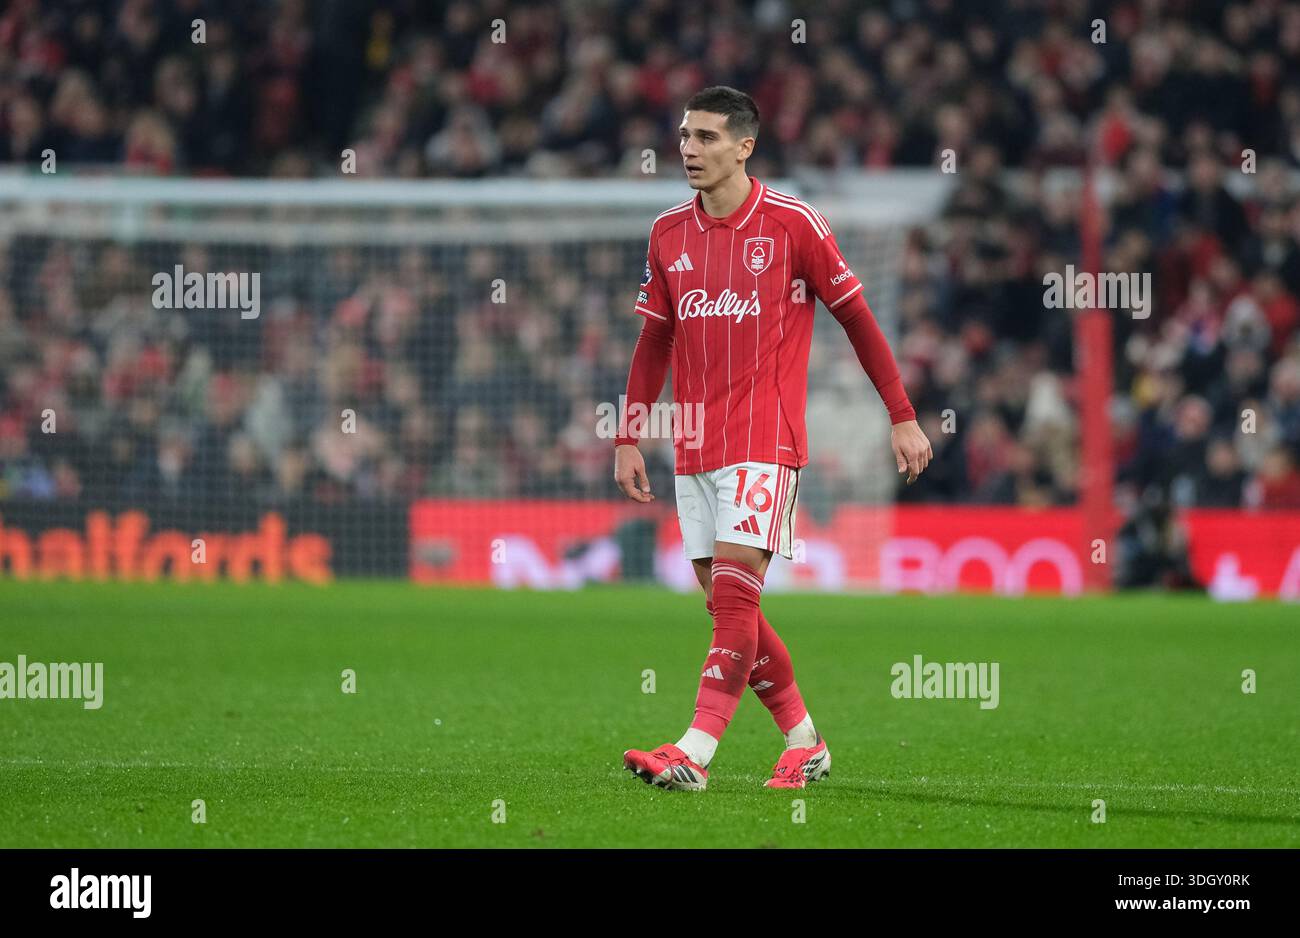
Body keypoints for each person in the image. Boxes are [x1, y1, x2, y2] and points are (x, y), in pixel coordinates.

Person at [613, 86, 931, 791]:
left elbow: (857, 317)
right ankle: (804, 741)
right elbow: (654, 337)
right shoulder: (668, 233)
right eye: (686, 135)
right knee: (732, 605)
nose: (689, 149)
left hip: (764, 441)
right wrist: (629, 434)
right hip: (692, 447)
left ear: (744, 146)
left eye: (706, 138)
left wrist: (901, 414)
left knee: (732, 601)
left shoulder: (794, 224)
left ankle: (694, 750)